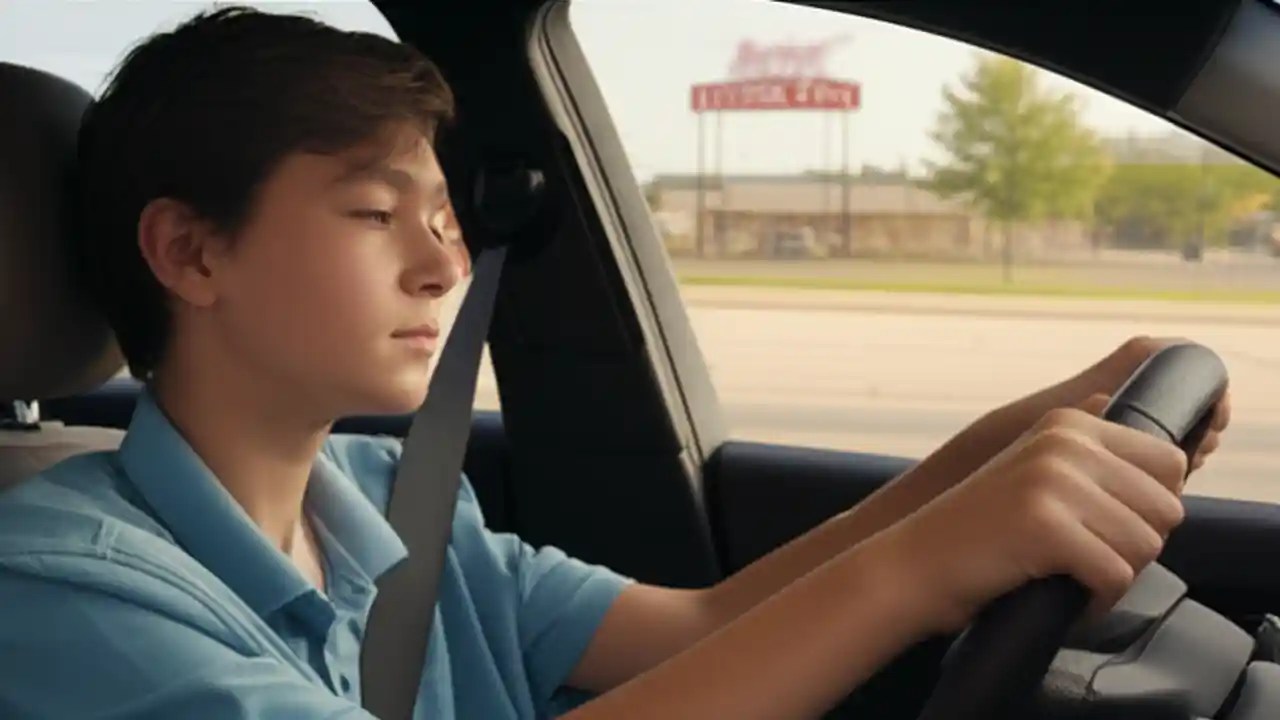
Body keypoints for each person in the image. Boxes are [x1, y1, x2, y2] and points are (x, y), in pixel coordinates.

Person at [0, 7, 1231, 720]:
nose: (442, 264)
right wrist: (915, 568)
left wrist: (988, 459)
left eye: (445, 215)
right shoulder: (58, 595)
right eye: (377, 214)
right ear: (189, 252)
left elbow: (702, 628)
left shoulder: (400, 507)